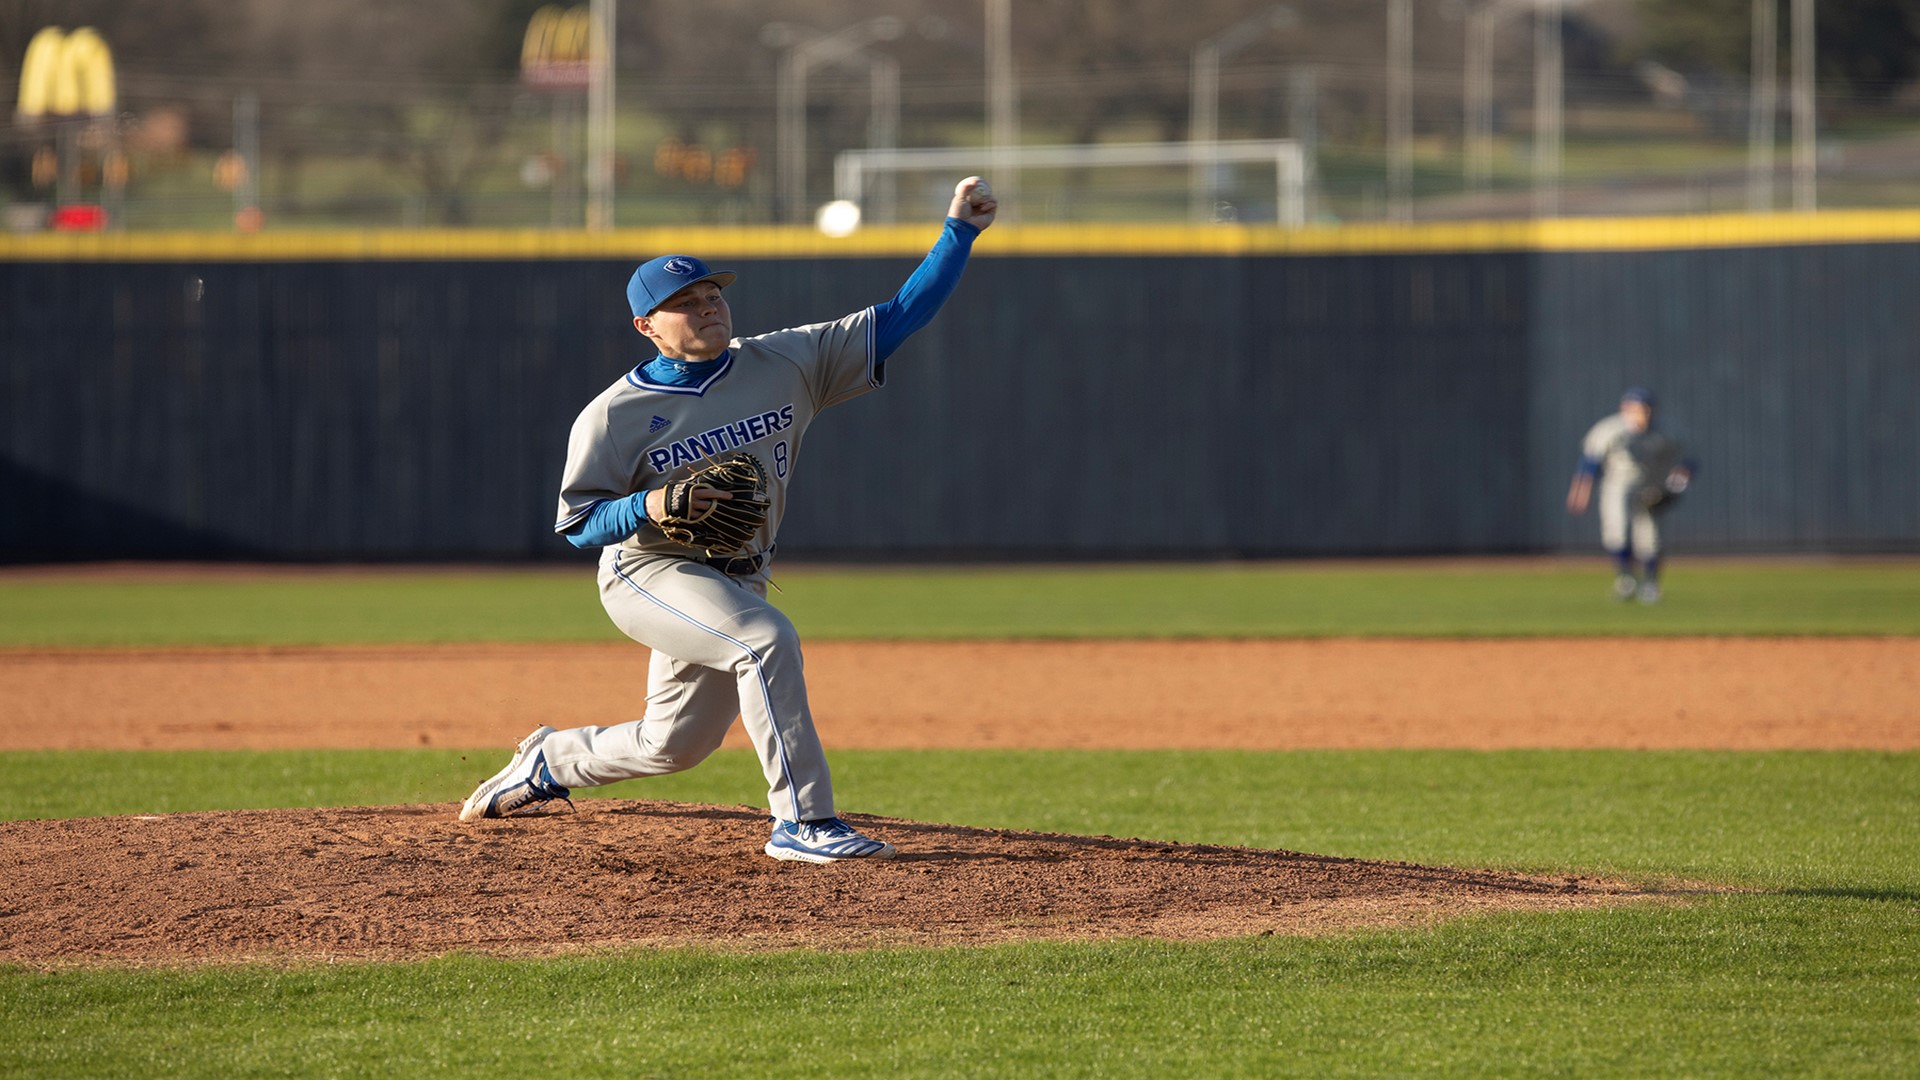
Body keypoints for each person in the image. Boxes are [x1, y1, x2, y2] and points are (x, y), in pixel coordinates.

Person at [458, 177, 997, 863]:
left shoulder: (786, 362)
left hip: (741, 577)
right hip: (649, 572)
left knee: (672, 745)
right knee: (764, 642)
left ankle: (551, 762)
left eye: (712, 294)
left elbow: (899, 316)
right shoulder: (614, 415)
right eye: (684, 303)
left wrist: (959, 234)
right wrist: (648, 505)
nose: (707, 307)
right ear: (646, 327)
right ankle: (804, 823)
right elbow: (579, 525)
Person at [1566, 387, 1695, 603]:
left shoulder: (1667, 430)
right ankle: (1626, 580)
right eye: (1635, 409)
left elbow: (1687, 462)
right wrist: (1580, 493)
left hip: (1651, 486)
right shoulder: (1610, 429)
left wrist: (1675, 486)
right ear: (1624, 409)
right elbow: (1589, 464)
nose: (1641, 414)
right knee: (1617, 531)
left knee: (1651, 536)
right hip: (1618, 485)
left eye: (1645, 409)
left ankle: (1651, 584)